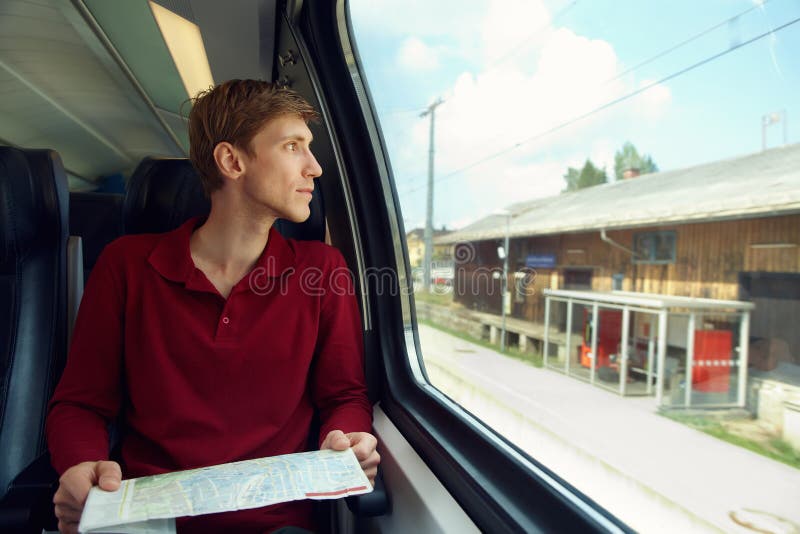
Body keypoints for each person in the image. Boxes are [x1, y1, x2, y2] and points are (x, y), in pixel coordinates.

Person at [46, 79, 379, 534]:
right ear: (231, 161)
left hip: (274, 524)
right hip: (150, 519)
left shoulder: (324, 269)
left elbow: (344, 397)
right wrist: (80, 465)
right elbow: (81, 403)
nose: (315, 168)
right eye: (293, 146)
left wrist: (349, 437)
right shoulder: (125, 265)